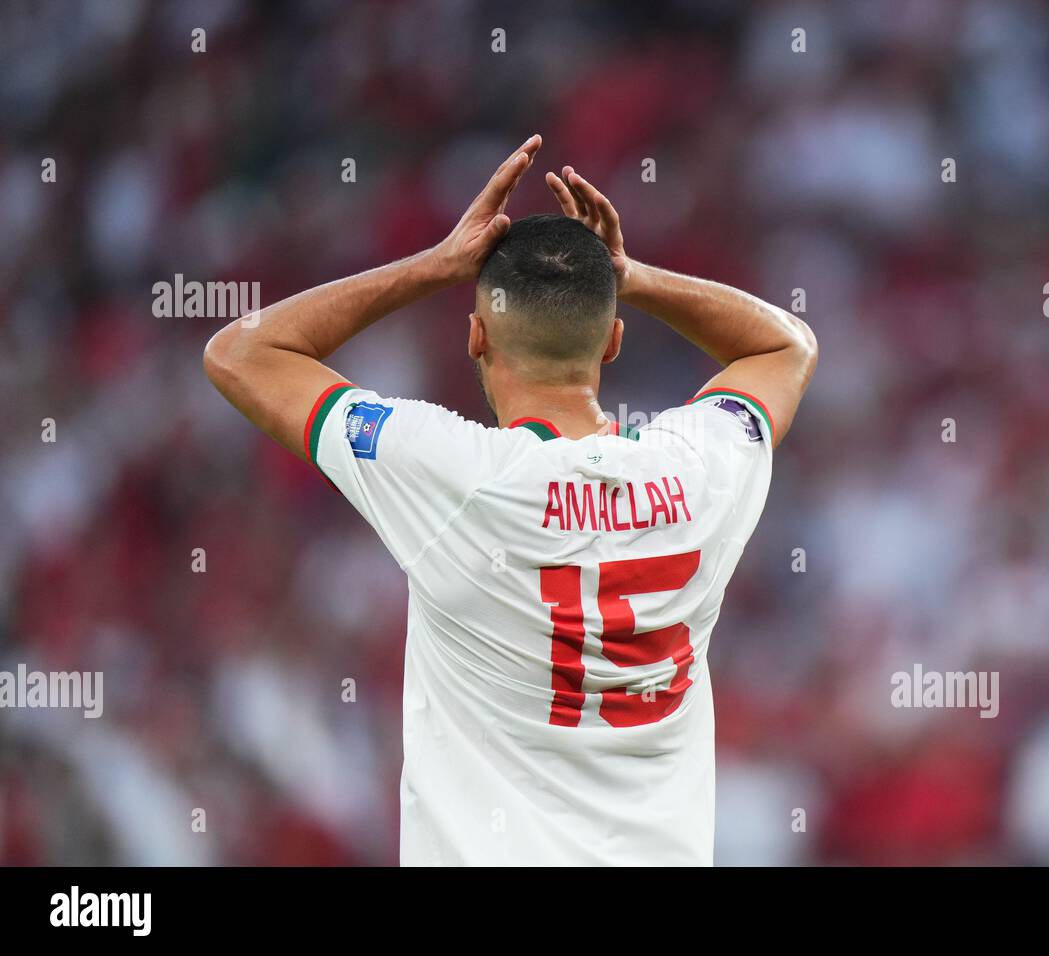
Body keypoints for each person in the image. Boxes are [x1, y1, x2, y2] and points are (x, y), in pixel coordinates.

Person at [204, 134, 817, 865]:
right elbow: (786, 348)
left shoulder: (451, 473)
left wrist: (431, 266)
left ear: (475, 338)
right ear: (614, 341)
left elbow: (242, 353)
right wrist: (631, 275)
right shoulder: (697, 472)